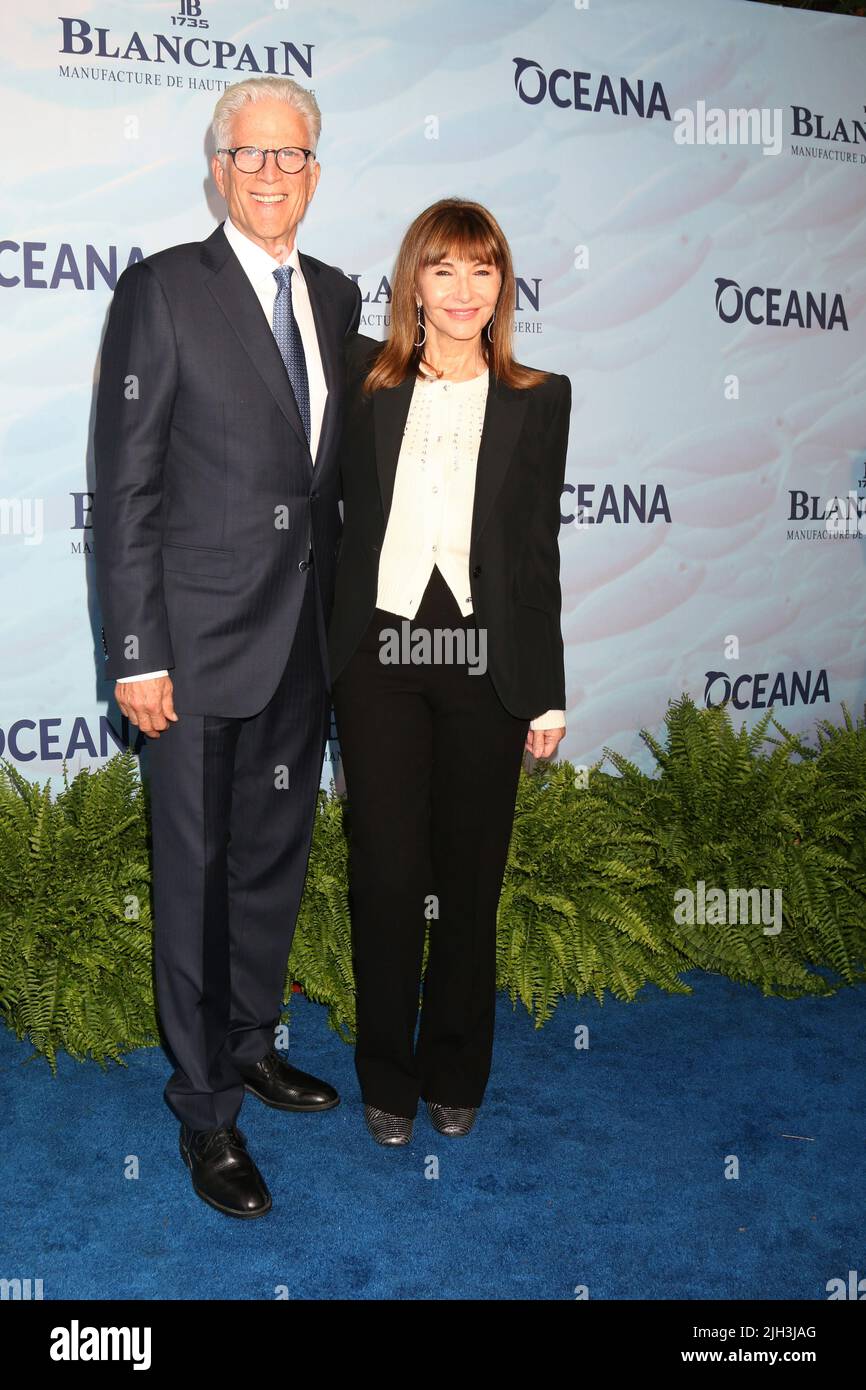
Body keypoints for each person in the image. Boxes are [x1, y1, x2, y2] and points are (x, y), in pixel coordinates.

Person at [92, 76, 361, 1217]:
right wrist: (136, 648)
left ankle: (251, 1039)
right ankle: (205, 1111)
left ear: (314, 171)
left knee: (268, 861)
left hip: (301, 640)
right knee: (195, 878)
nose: (267, 173)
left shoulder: (340, 297)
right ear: (216, 168)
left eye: (288, 155)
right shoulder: (161, 291)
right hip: (191, 651)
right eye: (246, 155)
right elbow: (126, 485)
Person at [328, 198, 571, 1145]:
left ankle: (456, 1067)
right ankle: (386, 1075)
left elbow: (535, 556)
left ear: (502, 285)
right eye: (444, 269)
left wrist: (545, 689)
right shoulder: (365, 378)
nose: (464, 290)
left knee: (468, 878)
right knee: (387, 875)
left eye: (482, 270)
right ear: (413, 284)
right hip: (379, 653)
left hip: (483, 660)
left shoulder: (537, 395)